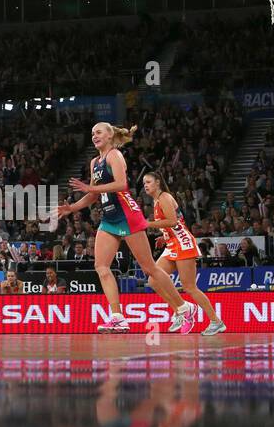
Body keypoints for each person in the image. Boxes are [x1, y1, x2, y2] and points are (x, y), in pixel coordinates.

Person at [54, 123, 195, 334]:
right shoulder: (95, 162)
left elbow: (121, 185)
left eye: (98, 132)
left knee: (149, 269)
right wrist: (71, 208)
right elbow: (93, 196)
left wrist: (91, 187)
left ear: (110, 135)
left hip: (128, 215)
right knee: (101, 267)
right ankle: (118, 317)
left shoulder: (114, 156)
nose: (94, 136)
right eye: (92, 133)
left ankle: (184, 307)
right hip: (109, 217)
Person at [142, 172, 225, 335]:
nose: (145, 185)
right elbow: (174, 225)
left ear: (158, 183)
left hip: (183, 243)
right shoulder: (156, 200)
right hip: (172, 243)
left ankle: (216, 322)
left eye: (149, 182)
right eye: (144, 182)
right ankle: (182, 311)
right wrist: (164, 237)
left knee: (189, 287)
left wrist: (148, 223)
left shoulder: (164, 197)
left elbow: (173, 221)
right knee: (153, 280)